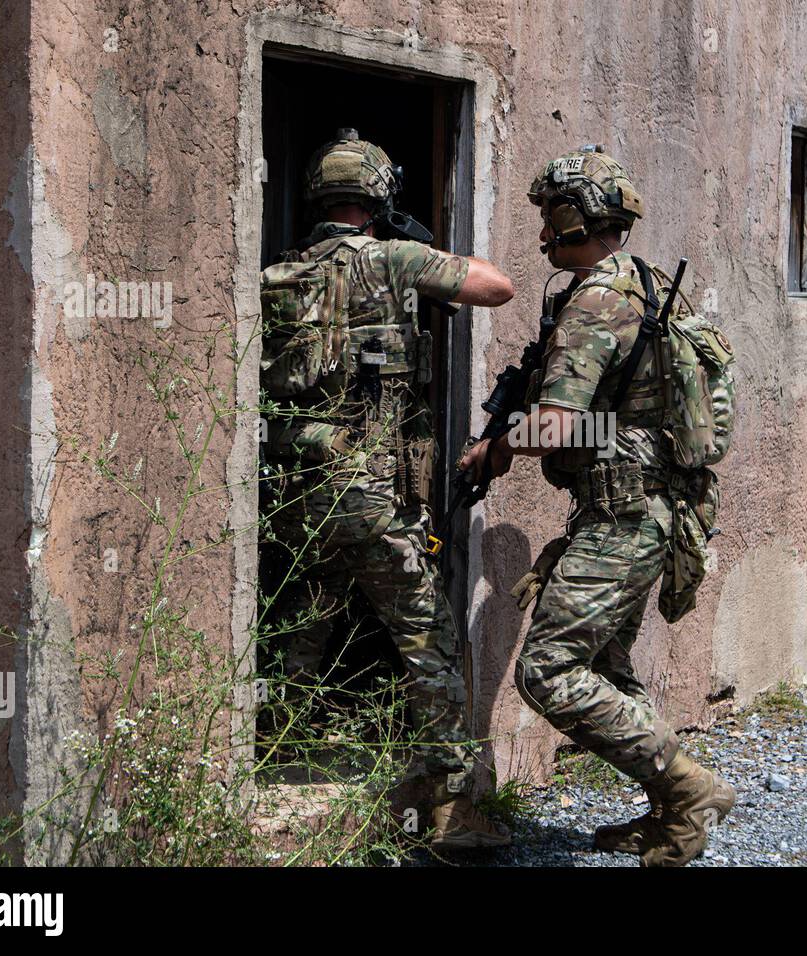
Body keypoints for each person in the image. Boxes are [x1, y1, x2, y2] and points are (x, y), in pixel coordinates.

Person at [460, 145, 736, 867]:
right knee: (607, 666)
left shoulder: (596, 299)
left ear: (569, 216)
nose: (543, 230)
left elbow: (556, 425)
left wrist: (492, 451)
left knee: (548, 669)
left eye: (548, 215)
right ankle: (672, 817)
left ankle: (690, 786)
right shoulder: (637, 283)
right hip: (643, 511)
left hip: (626, 514)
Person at [261, 129, 514, 848]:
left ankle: (279, 751)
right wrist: (409, 239)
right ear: (377, 199)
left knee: (303, 624)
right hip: (374, 496)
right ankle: (452, 808)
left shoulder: (281, 274)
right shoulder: (394, 259)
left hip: (298, 491)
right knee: (426, 638)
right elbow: (498, 286)